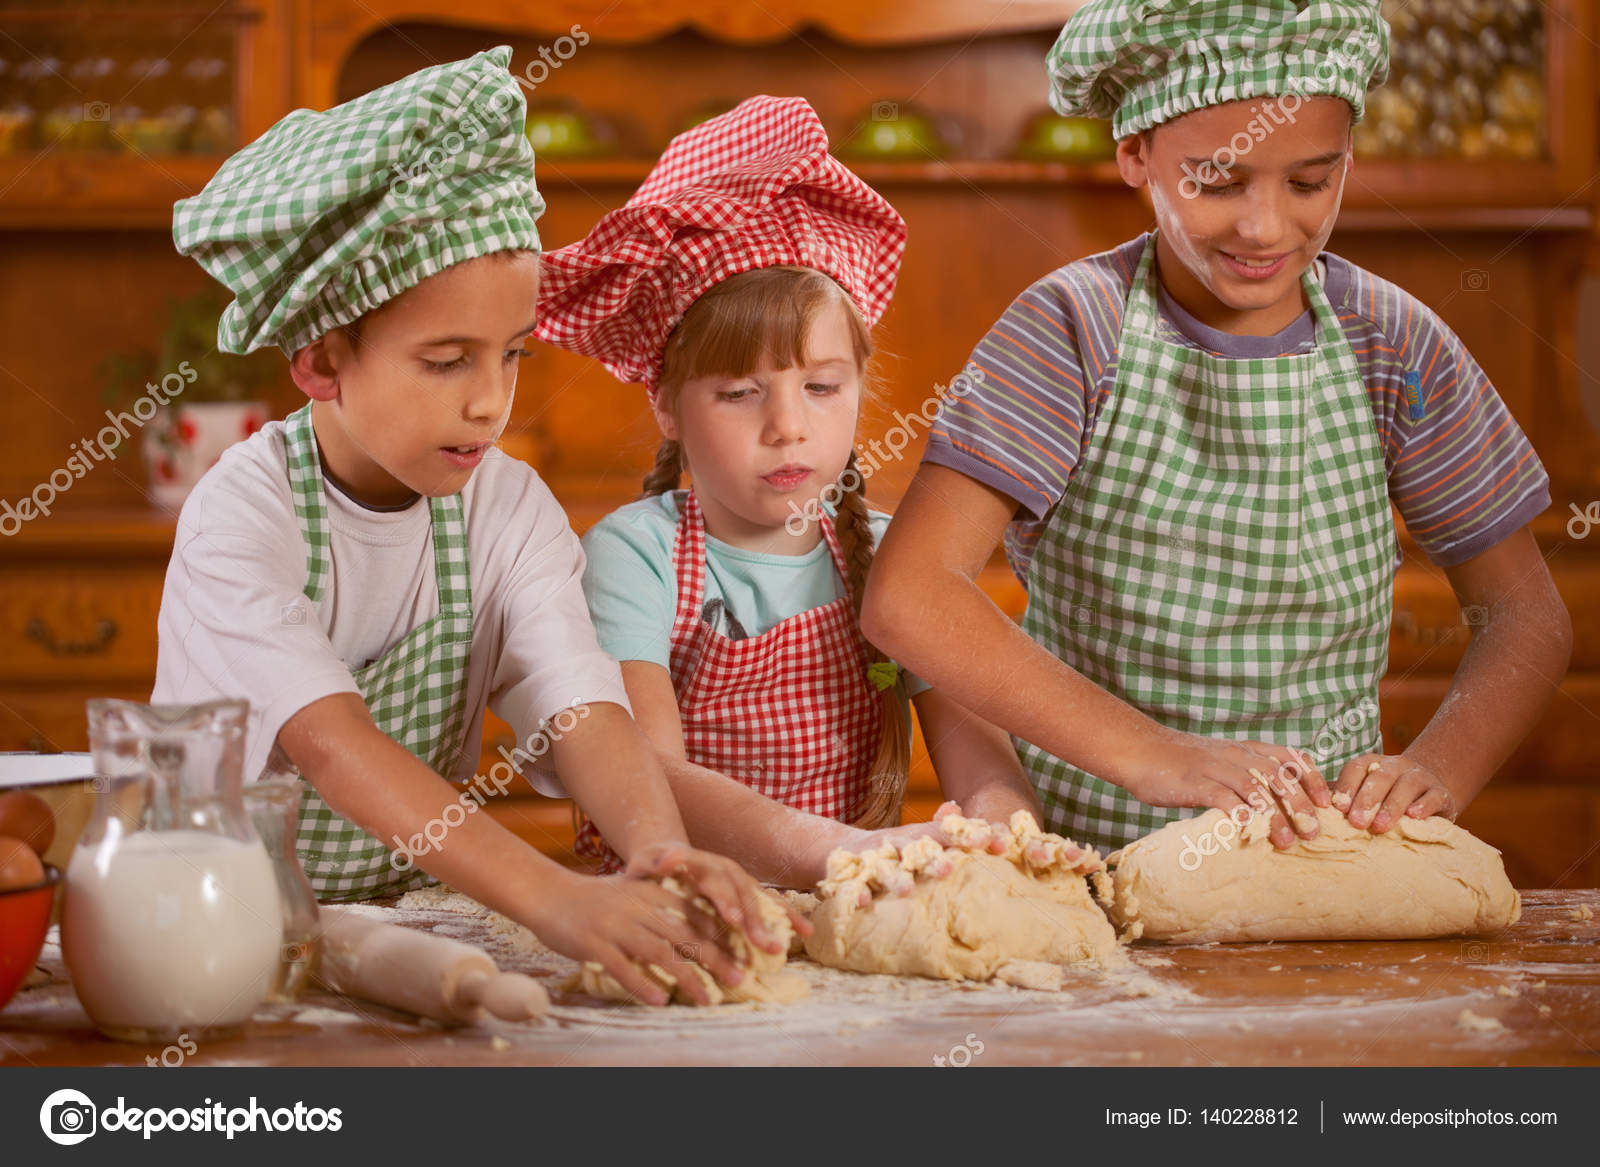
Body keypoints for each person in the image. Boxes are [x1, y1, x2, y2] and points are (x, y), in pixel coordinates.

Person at [861, 1, 1572, 856]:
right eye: (1219, 181)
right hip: (1092, 869)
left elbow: (1525, 613)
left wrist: (1440, 767)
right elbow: (910, 596)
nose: (1265, 226)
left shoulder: (1394, 343)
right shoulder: (1070, 331)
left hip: (1318, 866)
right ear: (1135, 153)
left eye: (1311, 181)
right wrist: (1151, 754)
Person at [156, 47, 785, 1005]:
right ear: (323, 360)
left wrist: (656, 852)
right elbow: (333, 745)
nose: (491, 403)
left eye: (513, 356)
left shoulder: (507, 505)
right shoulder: (241, 516)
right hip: (204, 934)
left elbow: (581, 704)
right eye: (447, 362)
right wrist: (554, 898)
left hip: (393, 934)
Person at [535, 97, 1047, 886]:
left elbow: (985, 771)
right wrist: (837, 851)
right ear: (666, 405)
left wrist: (994, 844)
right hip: (687, 907)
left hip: (867, 901)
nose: (787, 426)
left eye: (820, 385)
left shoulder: (896, 556)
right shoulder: (633, 555)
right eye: (740, 393)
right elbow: (649, 775)